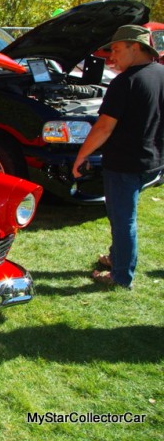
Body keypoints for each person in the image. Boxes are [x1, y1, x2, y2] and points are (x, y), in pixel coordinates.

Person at [72, 25, 164, 289]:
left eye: (116, 49)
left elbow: (104, 127)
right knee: (124, 215)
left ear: (135, 47)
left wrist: (81, 156)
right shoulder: (161, 74)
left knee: (124, 219)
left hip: (126, 162)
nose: (112, 56)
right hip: (153, 160)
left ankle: (121, 276)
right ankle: (117, 258)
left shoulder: (126, 81)